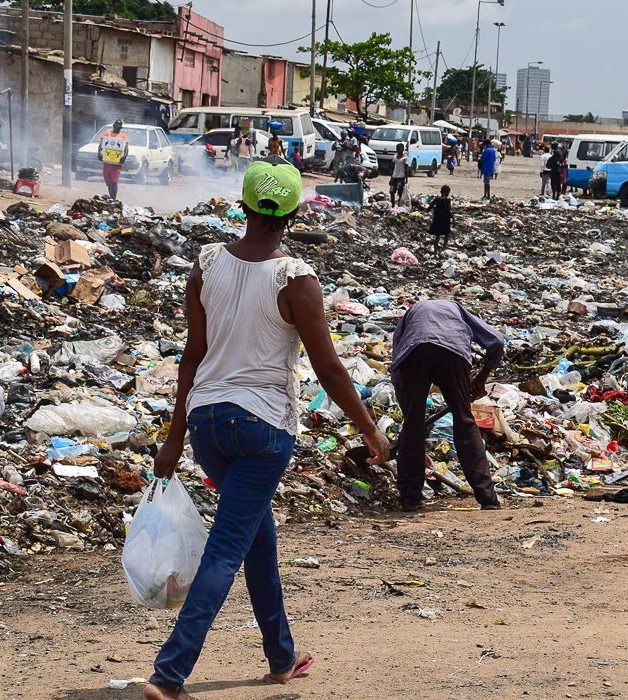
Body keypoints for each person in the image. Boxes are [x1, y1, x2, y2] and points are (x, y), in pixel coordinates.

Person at [143, 161, 389, 699]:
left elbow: (192, 355)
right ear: (294, 213)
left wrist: (175, 436)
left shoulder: (207, 264)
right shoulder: (295, 279)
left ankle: (281, 656)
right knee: (227, 547)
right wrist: (370, 430)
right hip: (262, 427)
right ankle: (169, 675)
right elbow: (328, 369)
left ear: (247, 207)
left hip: (208, 422)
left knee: (257, 537)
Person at [391, 300, 504, 512]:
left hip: (414, 352)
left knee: (413, 425)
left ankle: (410, 499)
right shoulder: (457, 309)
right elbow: (496, 340)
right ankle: (488, 499)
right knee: (464, 421)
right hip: (453, 352)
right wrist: (482, 376)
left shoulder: (409, 316)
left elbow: (397, 362)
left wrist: (408, 410)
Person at [98, 120, 129, 200]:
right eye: (116, 123)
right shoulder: (107, 133)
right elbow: (101, 144)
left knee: (114, 180)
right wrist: (99, 153)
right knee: (108, 180)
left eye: (119, 124)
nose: (117, 125)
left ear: (121, 127)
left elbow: (126, 148)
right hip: (107, 161)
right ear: (113, 125)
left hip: (117, 163)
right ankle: (111, 197)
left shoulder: (123, 136)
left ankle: (113, 198)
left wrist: (124, 157)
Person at [429, 184, 453, 252]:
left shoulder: (437, 199)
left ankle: (435, 253)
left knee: (437, 236)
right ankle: (444, 248)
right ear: (448, 193)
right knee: (447, 234)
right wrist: (453, 219)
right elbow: (448, 211)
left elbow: (430, 206)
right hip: (445, 220)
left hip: (437, 219)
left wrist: (428, 210)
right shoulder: (447, 201)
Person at [390, 143, 408, 207]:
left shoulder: (405, 158)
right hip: (394, 177)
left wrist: (406, 179)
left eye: (400, 149)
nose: (398, 151)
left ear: (402, 149)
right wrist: (391, 177)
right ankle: (393, 205)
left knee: (400, 192)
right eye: (397, 149)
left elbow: (406, 169)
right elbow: (393, 166)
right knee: (392, 191)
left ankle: (399, 206)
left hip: (401, 177)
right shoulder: (395, 157)